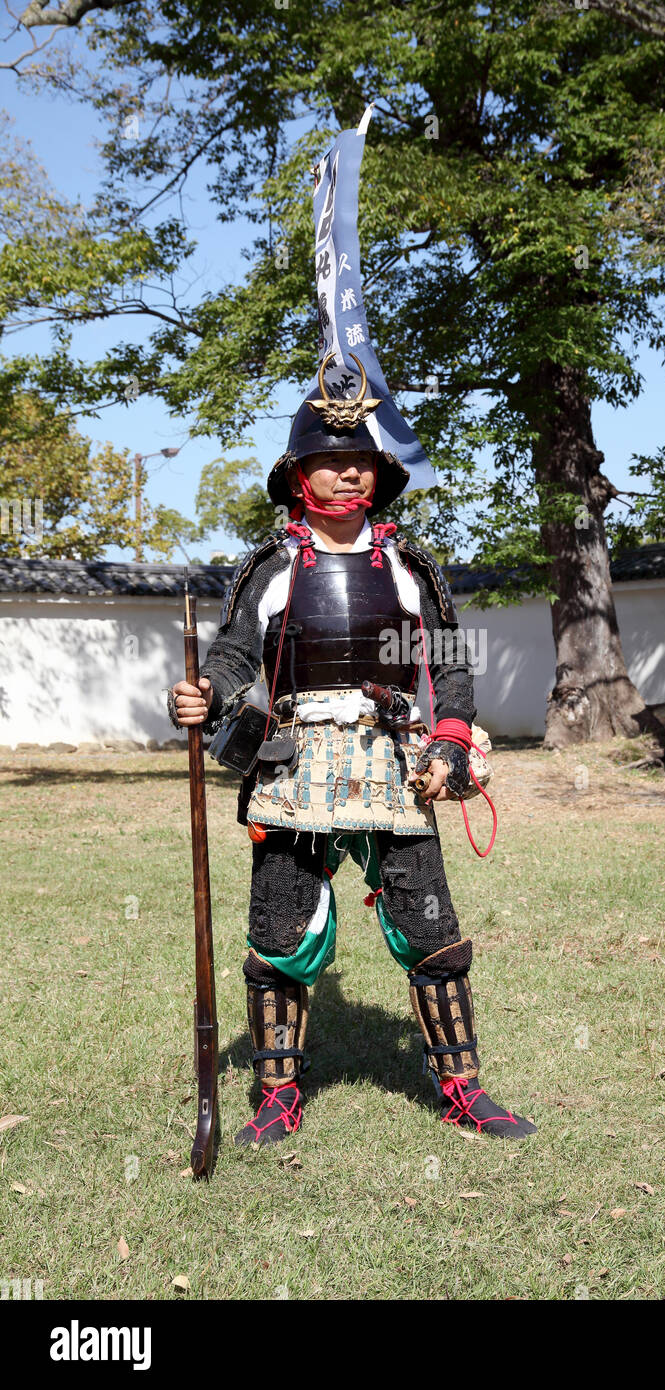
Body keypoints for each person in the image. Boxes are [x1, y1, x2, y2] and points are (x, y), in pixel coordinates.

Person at [168, 371, 536, 1145]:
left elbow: (452, 669)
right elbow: (235, 657)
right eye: (329, 460)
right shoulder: (272, 566)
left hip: (392, 760)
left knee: (430, 925)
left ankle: (464, 1089)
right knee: (279, 932)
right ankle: (276, 1095)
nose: (346, 471)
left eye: (361, 460)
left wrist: (451, 740)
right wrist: (204, 690)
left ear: (380, 473)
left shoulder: (411, 565)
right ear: (298, 475)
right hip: (294, 762)